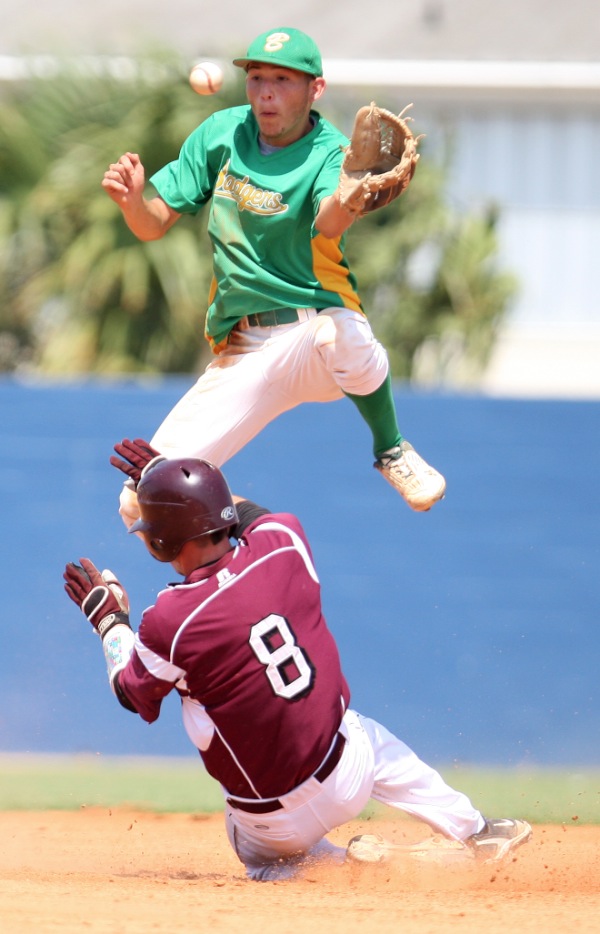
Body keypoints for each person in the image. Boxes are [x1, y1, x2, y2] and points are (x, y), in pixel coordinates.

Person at [63, 445, 531, 881]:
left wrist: (109, 620)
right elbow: (247, 515)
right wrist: (166, 476)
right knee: (366, 734)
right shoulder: (285, 540)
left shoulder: (169, 620)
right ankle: (474, 829)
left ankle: (336, 868)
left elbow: (130, 692)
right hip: (349, 773)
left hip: (269, 821)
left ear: (161, 542)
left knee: (255, 852)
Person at [101, 26, 446, 527]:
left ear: (315, 89)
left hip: (311, 333)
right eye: (257, 77)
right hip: (243, 348)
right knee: (146, 494)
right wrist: (132, 201)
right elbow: (153, 225)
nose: (266, 91)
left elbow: (328, 224)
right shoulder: (222, 133)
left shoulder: (330, 151)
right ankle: (250, 533)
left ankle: (392, 449)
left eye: (283, 80)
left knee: (341, 329)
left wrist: (349, 197)